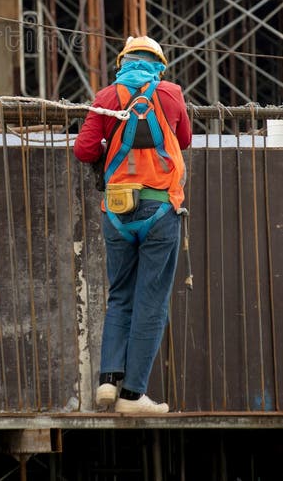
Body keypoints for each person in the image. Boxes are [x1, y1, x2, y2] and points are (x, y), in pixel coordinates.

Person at [73, 35, 191, 414]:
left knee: (120, 296)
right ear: (159, 63)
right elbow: (185, 139)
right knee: (151, 303)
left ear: (123, 62)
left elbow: (84, 150)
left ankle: (108, 382)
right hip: (160, 211)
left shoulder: (107, 97)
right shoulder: (171, 93)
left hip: (118, 213)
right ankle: (133, 394)